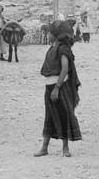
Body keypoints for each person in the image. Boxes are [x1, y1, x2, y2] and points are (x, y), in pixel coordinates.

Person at [34, 19, 82, 158]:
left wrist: (57, 88)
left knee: (63, 115)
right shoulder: (53, 47)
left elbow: (65, 69)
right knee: (49, 116)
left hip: (59, 88)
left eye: (49, 33)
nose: (47, 35)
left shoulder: (62, 49)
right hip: (49, 87)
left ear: (55, 34)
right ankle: (44, 148)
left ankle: (65, 148)